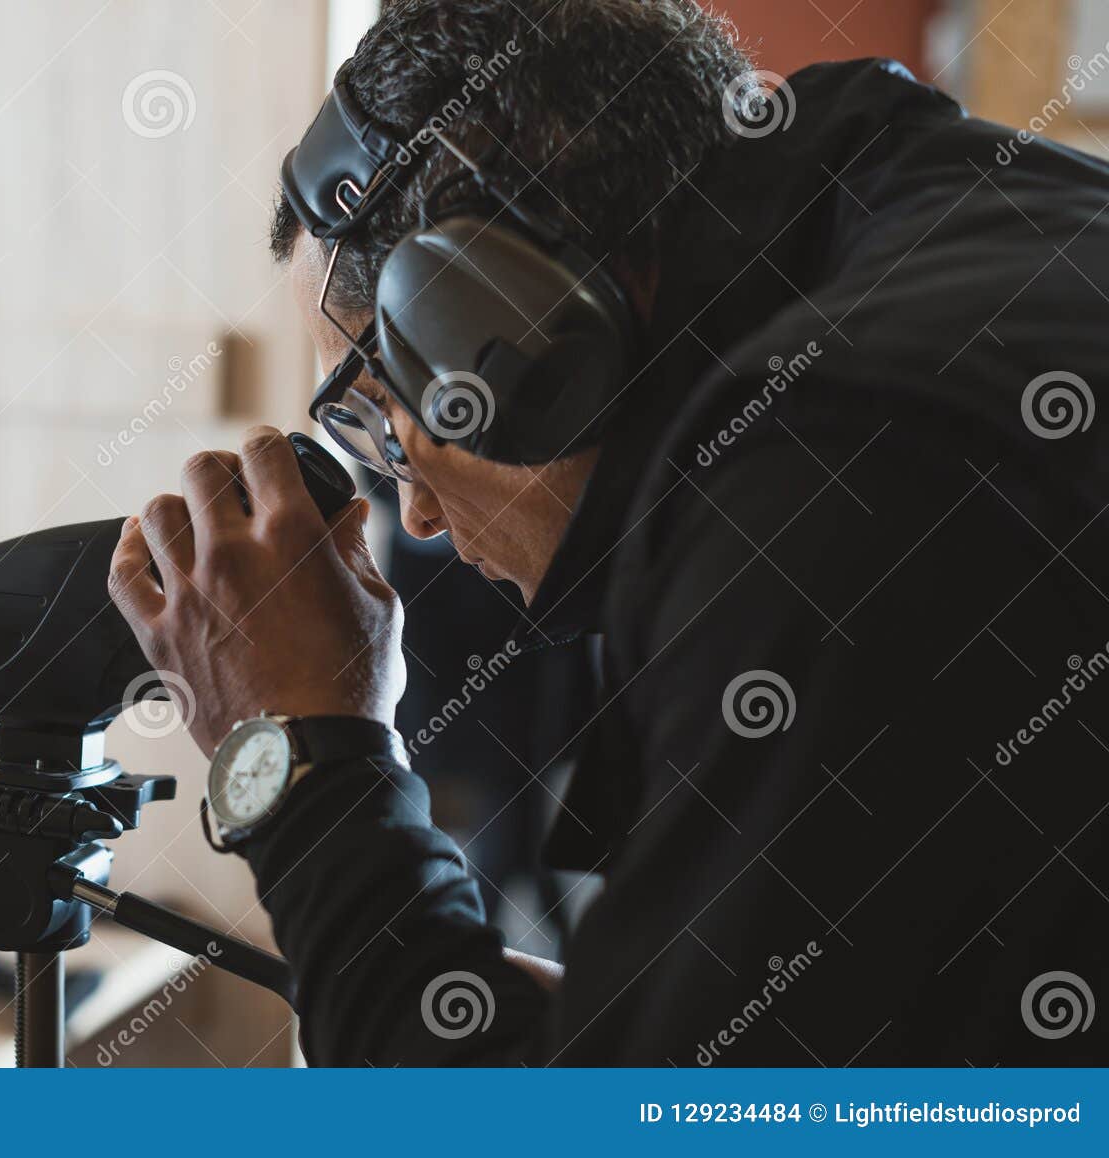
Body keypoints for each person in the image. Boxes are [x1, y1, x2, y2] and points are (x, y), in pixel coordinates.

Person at [108, 0, 1109, 1065]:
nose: (421, 514)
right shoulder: (961, 208)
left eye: (384, 422)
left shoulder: (838, 473)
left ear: (501, 323)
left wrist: (301, 755)